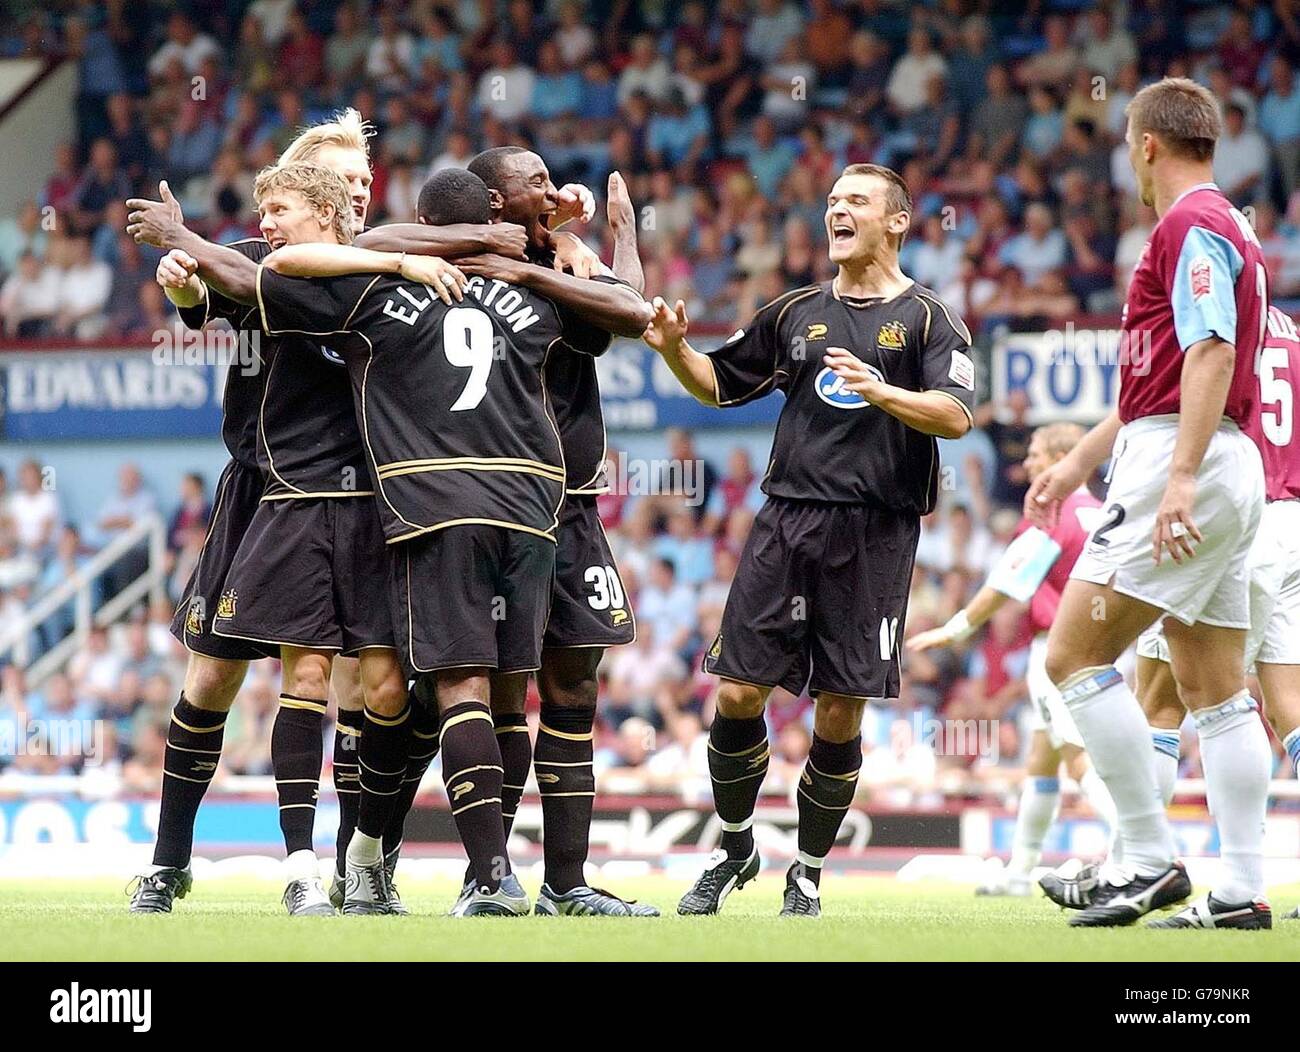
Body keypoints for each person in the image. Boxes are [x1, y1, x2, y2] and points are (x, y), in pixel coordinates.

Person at [123, 110, 516, 915]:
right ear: (308, 181)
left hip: (375, 494)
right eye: (343, 175)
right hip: (269, 491)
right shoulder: (266, 261)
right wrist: (190, 287)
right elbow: (218, 293)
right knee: (214, 674)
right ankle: (170, 862)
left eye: (366, 179)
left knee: (375, 687)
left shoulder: (388, 264)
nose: (359, 187)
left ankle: (356, 864)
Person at [251, 164, 651, 916]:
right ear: (490, 214)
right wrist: (586, 244)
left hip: (433, 503)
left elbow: (282, 266)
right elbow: (630, 314)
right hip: (534, 505)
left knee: (455, 689)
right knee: (510, 696)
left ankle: (491, 877)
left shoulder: (378, 288)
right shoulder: (537, 291)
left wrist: (403, 256)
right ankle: (484, 874)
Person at [644, 162, 975, 916]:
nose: (837, 210)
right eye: (831, 200)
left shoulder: (929, 319)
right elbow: (718, 383)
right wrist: (671, 349)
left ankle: (810, 870)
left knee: (839, 707)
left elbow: (956, 416)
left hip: (876, 532)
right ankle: (733, 848)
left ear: (897, 220)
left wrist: (881, 390)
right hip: (786, 519)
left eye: (856, 201)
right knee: (736, 691)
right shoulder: (793, 310)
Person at [1027, 78, 1271, 929]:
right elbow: (1157, 381)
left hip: (1185, 459)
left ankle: (1143, 857)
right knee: (1218, 690)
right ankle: (1240, 892)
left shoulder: (1188, 225)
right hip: (1222, 461)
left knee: (1072, 659)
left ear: (1147, 146)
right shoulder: (1232, 222)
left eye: (1127, 146)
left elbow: (1209, 351)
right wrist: (1075, 464)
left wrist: (1176, 476)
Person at [1126, 304, 1300, 924]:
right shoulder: (1291, 332)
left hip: (1239, 516)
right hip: (1294, 523)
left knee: (1170, 700)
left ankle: (1145, 866)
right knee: (1289, 709)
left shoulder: (1222, 324)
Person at [908, 423, 1117, 897]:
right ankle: (1020, 872)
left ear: (1067, 457)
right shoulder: (1102, 514)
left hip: (1062, 651)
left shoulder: (1052, 512)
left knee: (1078, 760)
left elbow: (1008, 581)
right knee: (1043, 762)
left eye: (1038, 454)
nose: (1028, 465)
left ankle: (1141, 854)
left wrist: (957, 626)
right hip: (1102, 645)